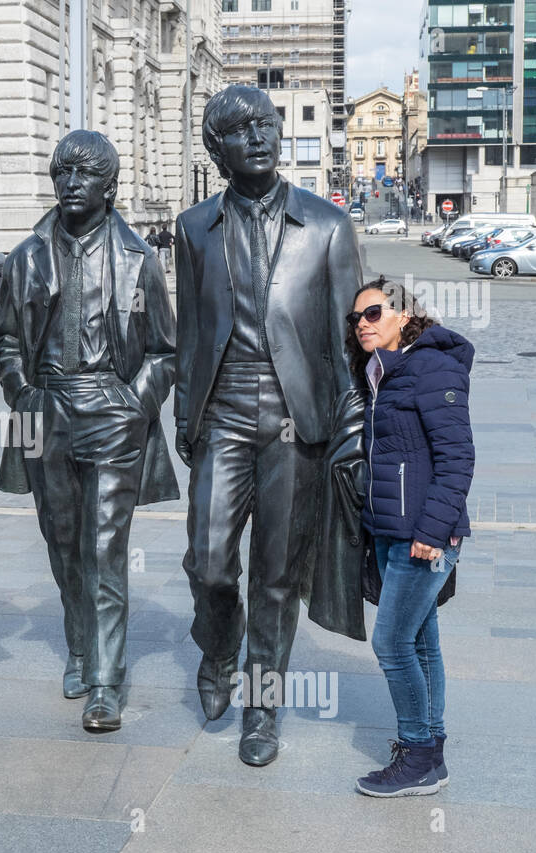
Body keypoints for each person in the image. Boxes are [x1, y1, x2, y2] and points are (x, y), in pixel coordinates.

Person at [175, 85, 362, 766]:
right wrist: (182, 415)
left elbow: (352, 335)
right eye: (239, 129)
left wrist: (354, 425)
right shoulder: (194, 228)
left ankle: (262, 708)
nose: (258, 136)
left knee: (279, 574)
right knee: (209, 560)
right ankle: (219, 646)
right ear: (215, 148)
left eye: (266, 124)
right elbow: (191, 330)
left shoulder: (329, 224)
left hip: (296, 416)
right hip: (221, 410)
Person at [0, 130, 177, 732]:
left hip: (111, 408)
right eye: (62, 174)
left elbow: (164, 350)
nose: (71, 184)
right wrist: (22, 392)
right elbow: (8, 338)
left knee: (104, 547)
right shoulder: (25, 257)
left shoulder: (138, 259)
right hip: (47, 408)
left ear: (110, 186)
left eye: (84, 175)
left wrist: (134, 402)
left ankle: (105, 678)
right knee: (63, 540)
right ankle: (79, 644)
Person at [346, 276, 474, 797]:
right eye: (355, 319)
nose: (361, 325)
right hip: (391, 528)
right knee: (423, 641)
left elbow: (457, 458)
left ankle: (416, 752)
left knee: (392, 643)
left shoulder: (431, 367)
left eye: (372, 313)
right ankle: (432, 749)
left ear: (403, 314)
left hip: (422, 535)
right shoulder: (381, 372)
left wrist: (433, 531)